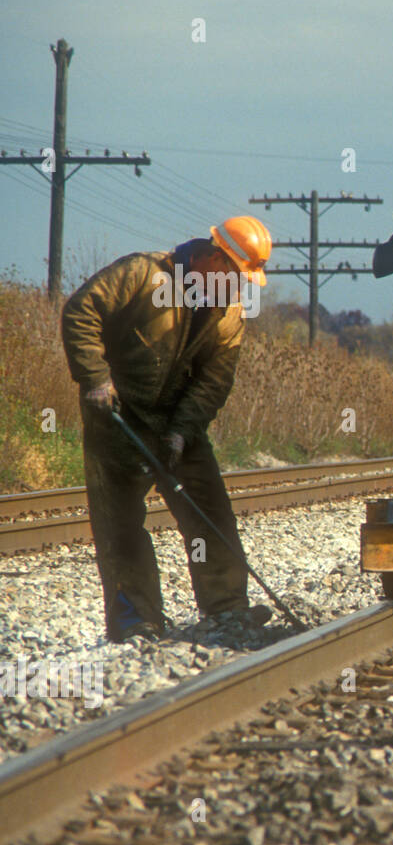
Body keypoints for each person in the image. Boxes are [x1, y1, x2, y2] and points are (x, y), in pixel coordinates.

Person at [61, 217, 274, 642]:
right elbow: (82, 311)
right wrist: (96, 379)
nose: (239, 288)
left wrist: (181, 432)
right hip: (116, 417)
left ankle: (227, 609)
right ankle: (137, 622)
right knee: (120, 525)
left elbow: (214, 382)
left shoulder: (229, 314)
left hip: (176, 421)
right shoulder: (143, 274)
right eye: (236, 276)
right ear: (213, 258)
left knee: (210, 511)